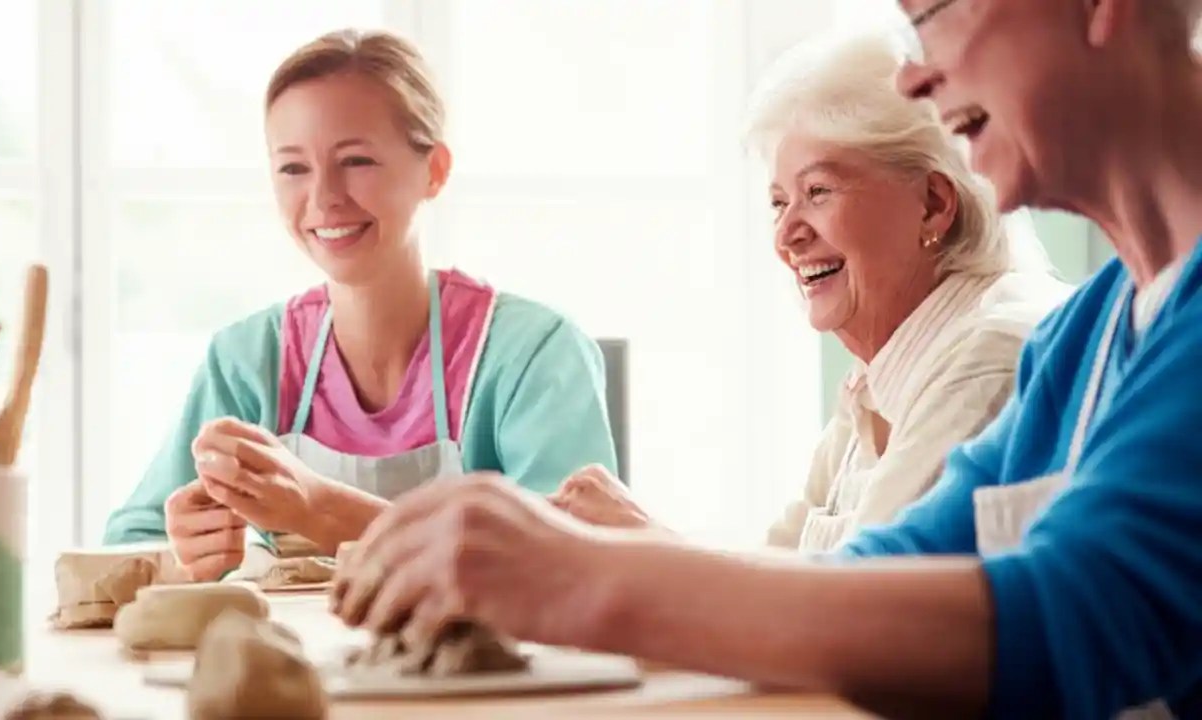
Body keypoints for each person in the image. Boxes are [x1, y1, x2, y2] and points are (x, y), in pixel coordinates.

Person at [331, 3, 1202, 718]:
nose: (916, 77)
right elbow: (878, 576)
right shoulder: (1084, 337)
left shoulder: (1033, 339)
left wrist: (578, 577)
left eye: (935, 15)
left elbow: (1085, 609)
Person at [102, 28, 618, 583]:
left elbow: (571, 571)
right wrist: (184, 552)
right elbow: (128, 546)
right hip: (296, 667)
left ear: (435, 170)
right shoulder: (247, 360)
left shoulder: (533, 356)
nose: (324, 197)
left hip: (472, 670)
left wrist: (317, 506)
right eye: (293, 168)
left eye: (357, 161)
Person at [549, 32, 1070, 553]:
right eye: (780, 203)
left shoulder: (988, 360)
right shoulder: (876, 384)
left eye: (817, 191)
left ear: (933, 205)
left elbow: (857, 609)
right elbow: (776, 573)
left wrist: (645, 544)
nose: (786, 235)